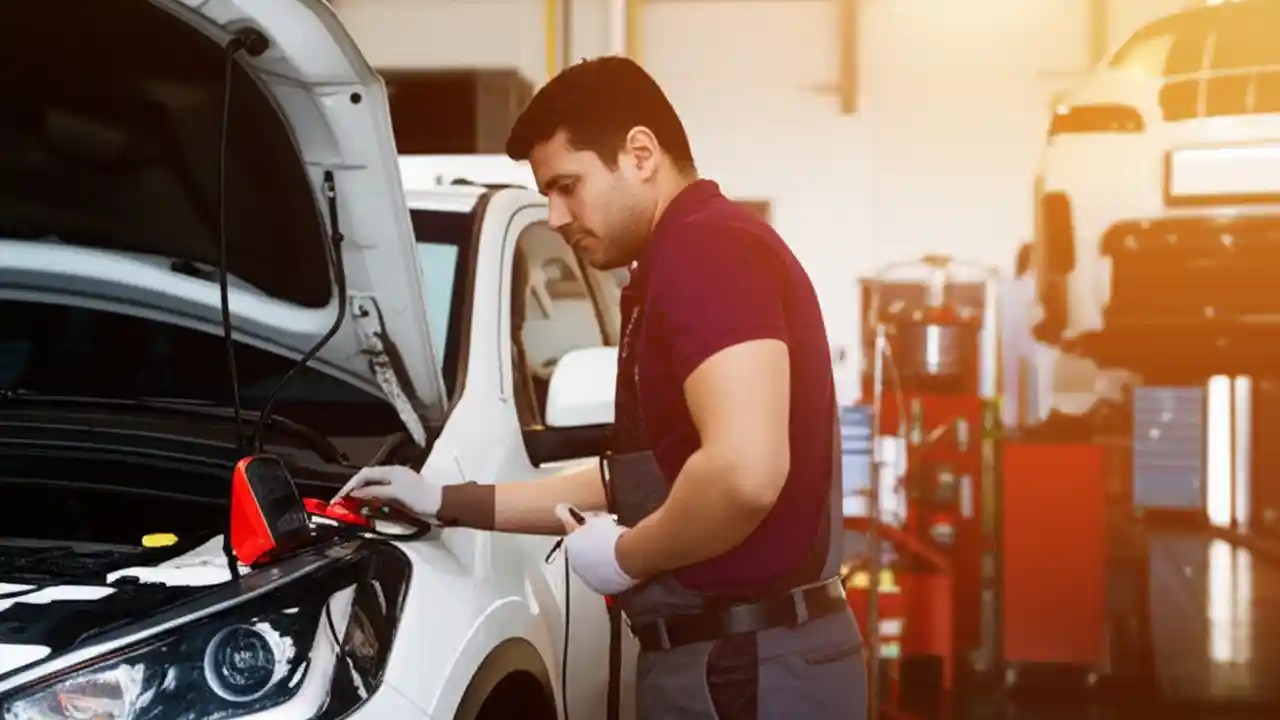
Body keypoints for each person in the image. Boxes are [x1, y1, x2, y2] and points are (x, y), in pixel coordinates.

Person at [334, 56, 867, 719]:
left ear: (640, 154)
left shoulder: (710, 254)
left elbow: (742, 473)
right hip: (737, 660)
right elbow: (639, 480)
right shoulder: (681, 260)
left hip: (745, 670)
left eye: (567, 186)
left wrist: (625, 553)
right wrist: (444, 498)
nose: (556, 216)